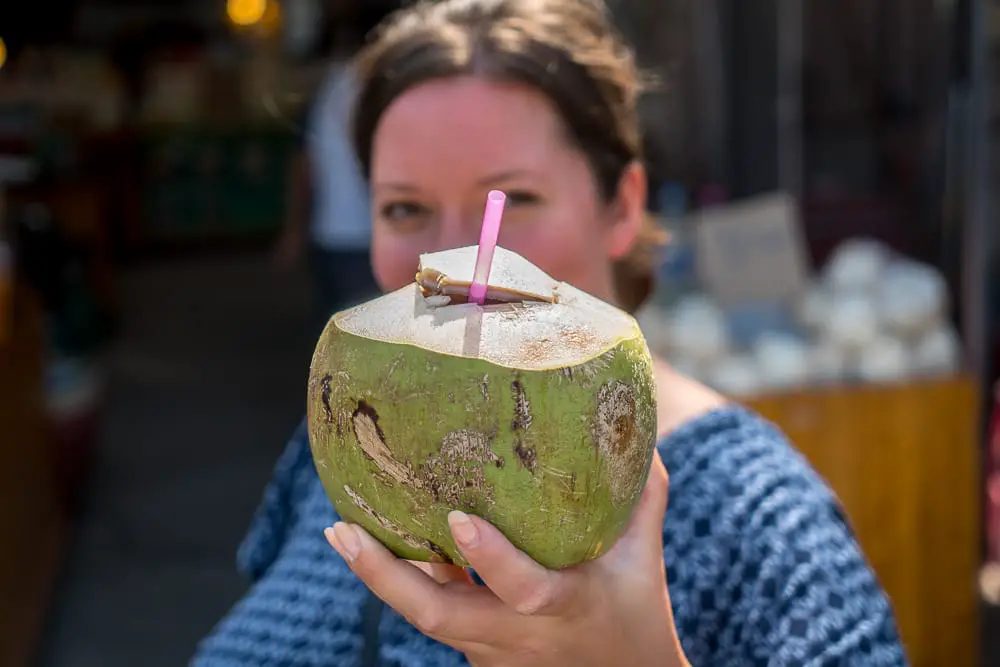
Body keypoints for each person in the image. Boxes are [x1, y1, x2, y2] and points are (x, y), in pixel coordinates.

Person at [194, 1, 908, 665]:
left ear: (622, 204)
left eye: (514, 198)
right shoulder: (352, 427)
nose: (448, 260)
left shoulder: (758, 518)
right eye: (405, 208)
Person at [274, 4, 384, 330]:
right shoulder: (364, 89)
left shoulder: (332, 88)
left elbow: (303, 164)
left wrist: (295, 228)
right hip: (358, 237)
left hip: (335, 235)